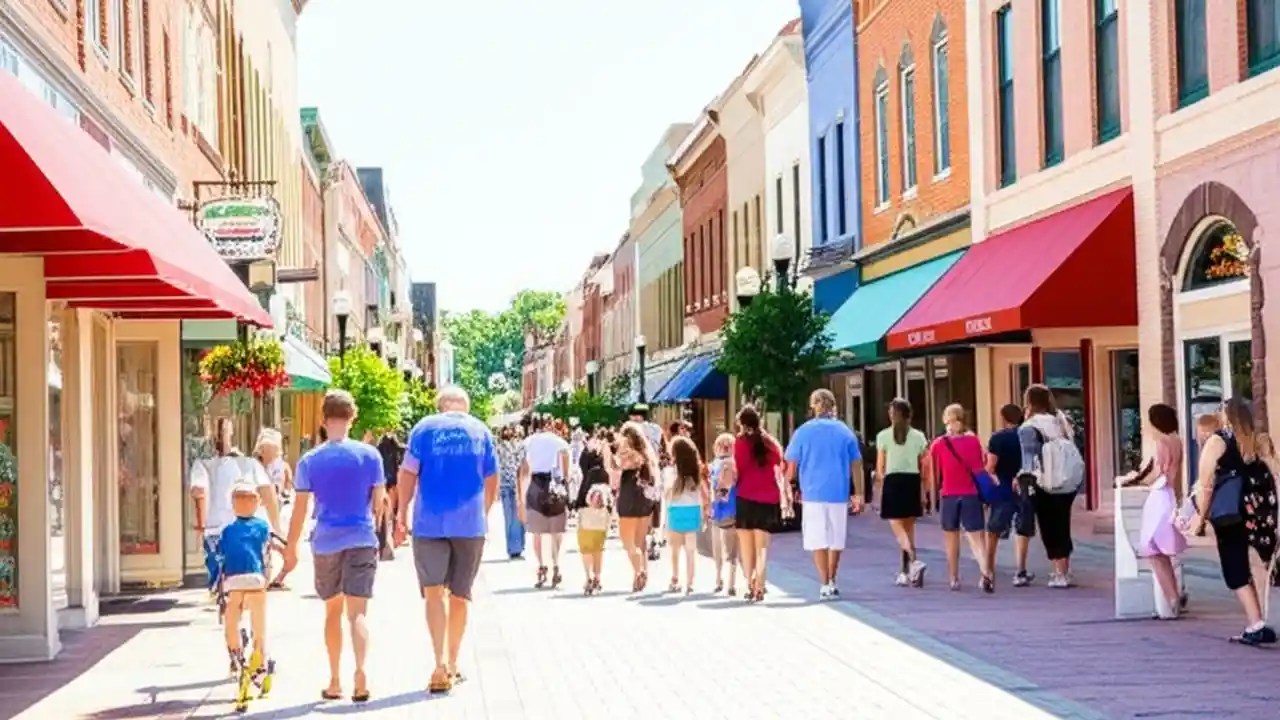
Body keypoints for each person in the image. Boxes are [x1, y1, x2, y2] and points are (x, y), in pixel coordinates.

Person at [282, 390, 385, 703]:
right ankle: (362, 672)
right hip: (362, 538)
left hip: (326, 541)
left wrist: (290, 549)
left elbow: (300, 510)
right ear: (352, 418)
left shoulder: (310, 460)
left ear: (323, 420)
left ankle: (335, 679)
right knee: (358, 613)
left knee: (332, 611)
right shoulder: (370, 456)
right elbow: (378, 504)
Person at [394, 385, 499, 693]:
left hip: (429, 523)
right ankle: (453, 663)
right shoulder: (480, 431)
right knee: (460, 594)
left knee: (432, 593)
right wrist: (484, 512)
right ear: (464, 407)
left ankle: (438, 663)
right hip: (469, 524)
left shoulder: (423, 429)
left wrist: (401, 515)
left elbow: (407, 474)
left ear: (440, 406)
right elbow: (491, 478)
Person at [1190, 398, 1278, 645]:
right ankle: (1261, 619)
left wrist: (1200, 518)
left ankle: (1256, 623)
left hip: (1230, 513)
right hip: (1259, 512)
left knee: (1235, 567)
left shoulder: (1218, 441)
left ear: (1226, 416)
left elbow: (1206, 484)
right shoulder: (1260, 441)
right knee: (1261, 564)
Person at [785, 389, 863, 600]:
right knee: (836, 538)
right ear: (833, 406)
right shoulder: (844, 431)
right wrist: (859, 494)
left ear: (814, 406)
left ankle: (823, 581)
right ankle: (833, 579)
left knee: (817, 538)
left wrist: (787, 488)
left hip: (812, 493)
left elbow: (791, 465)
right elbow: (856, 464)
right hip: (838, 491)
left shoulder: (803, 431)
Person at [191, 418, 281, 594]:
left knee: (220, 574)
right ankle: (242, 604)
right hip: (247, 527)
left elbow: (199, 492)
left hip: (215, 529)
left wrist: (201, 525)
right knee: (250, 574)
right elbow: (267, 493)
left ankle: (224, 598)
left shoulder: (203, 464)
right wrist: (276, 527)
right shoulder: (249, 463)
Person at [1120, 403, 1187, 619]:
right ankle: (1174, 595)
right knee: (1163, 549)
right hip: (1169, 495)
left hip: (1158, 495)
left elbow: (1156, 472)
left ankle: (1172, 598)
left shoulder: (1161, 442)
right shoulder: (1177, 440)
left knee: (1152, 549)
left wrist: (1131, 481)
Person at [218, 478, 281, 699]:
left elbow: (219, 557)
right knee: (259, 625)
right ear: (257, 503)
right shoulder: (263, 527)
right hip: (256, 581)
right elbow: (271, 550)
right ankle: (259, 660)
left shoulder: (226, 531)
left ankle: (238, 658)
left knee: (232, 620)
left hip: (234, 581)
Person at [1020, 385, 1078, 588]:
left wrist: (1021, 479)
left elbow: (1029, 460)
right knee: (1063, 522)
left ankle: (1059, 572)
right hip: (1068, 478)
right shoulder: (1061, 420)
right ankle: (1065, 570)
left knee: (1049, 525)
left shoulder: (1030, 426)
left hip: (1045, 480)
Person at [931, 403, 993, 593]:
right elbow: (980, 467)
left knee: (952, 538)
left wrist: (932, 498)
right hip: (970, 493)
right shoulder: (973, 441)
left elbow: (935, 474)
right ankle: (985, 573)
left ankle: (954, 578)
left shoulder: (939, 444)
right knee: (976, 537)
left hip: (949, 494)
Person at [735, 405, 790, 603]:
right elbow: (781, 465)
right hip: (768, 498)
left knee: (746, 547)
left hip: (745, 496)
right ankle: (761, 584)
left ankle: (750, 584)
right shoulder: (771, 443)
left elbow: (738, 470)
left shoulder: (739, 443)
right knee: (762, 547)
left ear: (742, 424)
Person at [875, 398, 930, 587]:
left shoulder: (883, 436)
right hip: (912, 481)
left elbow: (880, 467)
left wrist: (881, 484)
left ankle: (914, 560)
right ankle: (906, 570)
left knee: (897, 528)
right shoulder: (919, 436)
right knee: (909, 529)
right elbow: (925, 465)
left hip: (893, 481)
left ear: (892, 415)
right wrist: (925, 489)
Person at [604, 422, 660, 592]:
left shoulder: (626, 452)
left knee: (627, 541)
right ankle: (642, 576)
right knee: (640, 541)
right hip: (645, 498)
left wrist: (609, 453)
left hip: (629, 493)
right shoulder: (646, 454)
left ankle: (639, 571)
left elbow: (614, 470)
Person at [518, 416, 571, 588]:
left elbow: (525, 470)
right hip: (555, 484)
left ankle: (541, 566)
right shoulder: (560, 442)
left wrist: (521, 497)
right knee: (556, 531)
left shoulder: (528, 442)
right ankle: (556, 564)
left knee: (537, 533)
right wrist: (566, 486)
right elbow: (566, 468)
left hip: (536, 485)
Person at [986, 404, 1035, 587]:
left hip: (1003, 486)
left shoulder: (998, 438)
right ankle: (1020, 570)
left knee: (994, 530)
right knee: (1022, 529)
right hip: (1024, 483)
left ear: (1004, 418)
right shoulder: (1028, 436)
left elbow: (991, 466)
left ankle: (989, 569)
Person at [665, 436, 709, 595]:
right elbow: (704, 493)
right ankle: (690, 582)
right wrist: (705, 511)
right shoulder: (696, 471)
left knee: (675, 550)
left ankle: (675, 578)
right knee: (691, 550)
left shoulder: (671, 472)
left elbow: (667, 494)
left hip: (676, 510)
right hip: (692, 510)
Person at [708, 433, 740, 595]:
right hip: (731, 509)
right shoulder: (734, 463)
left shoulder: (718, 464)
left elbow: (721, 489)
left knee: (718, 548)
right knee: (732, 549)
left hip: (719, 509)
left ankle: (719, 578)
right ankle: (730, 582)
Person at [495, 426, 527, 559]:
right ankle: (518, 545)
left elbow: (496, 467)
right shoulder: (521, 446)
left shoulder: (499, 447)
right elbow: (523, 467)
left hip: (505, 484)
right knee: (519, 515)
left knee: (509, 517)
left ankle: (513, 547)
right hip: (516, 484)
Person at [577, 484, 611, 595]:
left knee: (590, 555)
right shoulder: (604, 512)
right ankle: (593, 578)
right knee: (596, 555)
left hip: (588, 533)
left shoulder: (584, 511)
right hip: (592, 533)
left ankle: (591, 577)